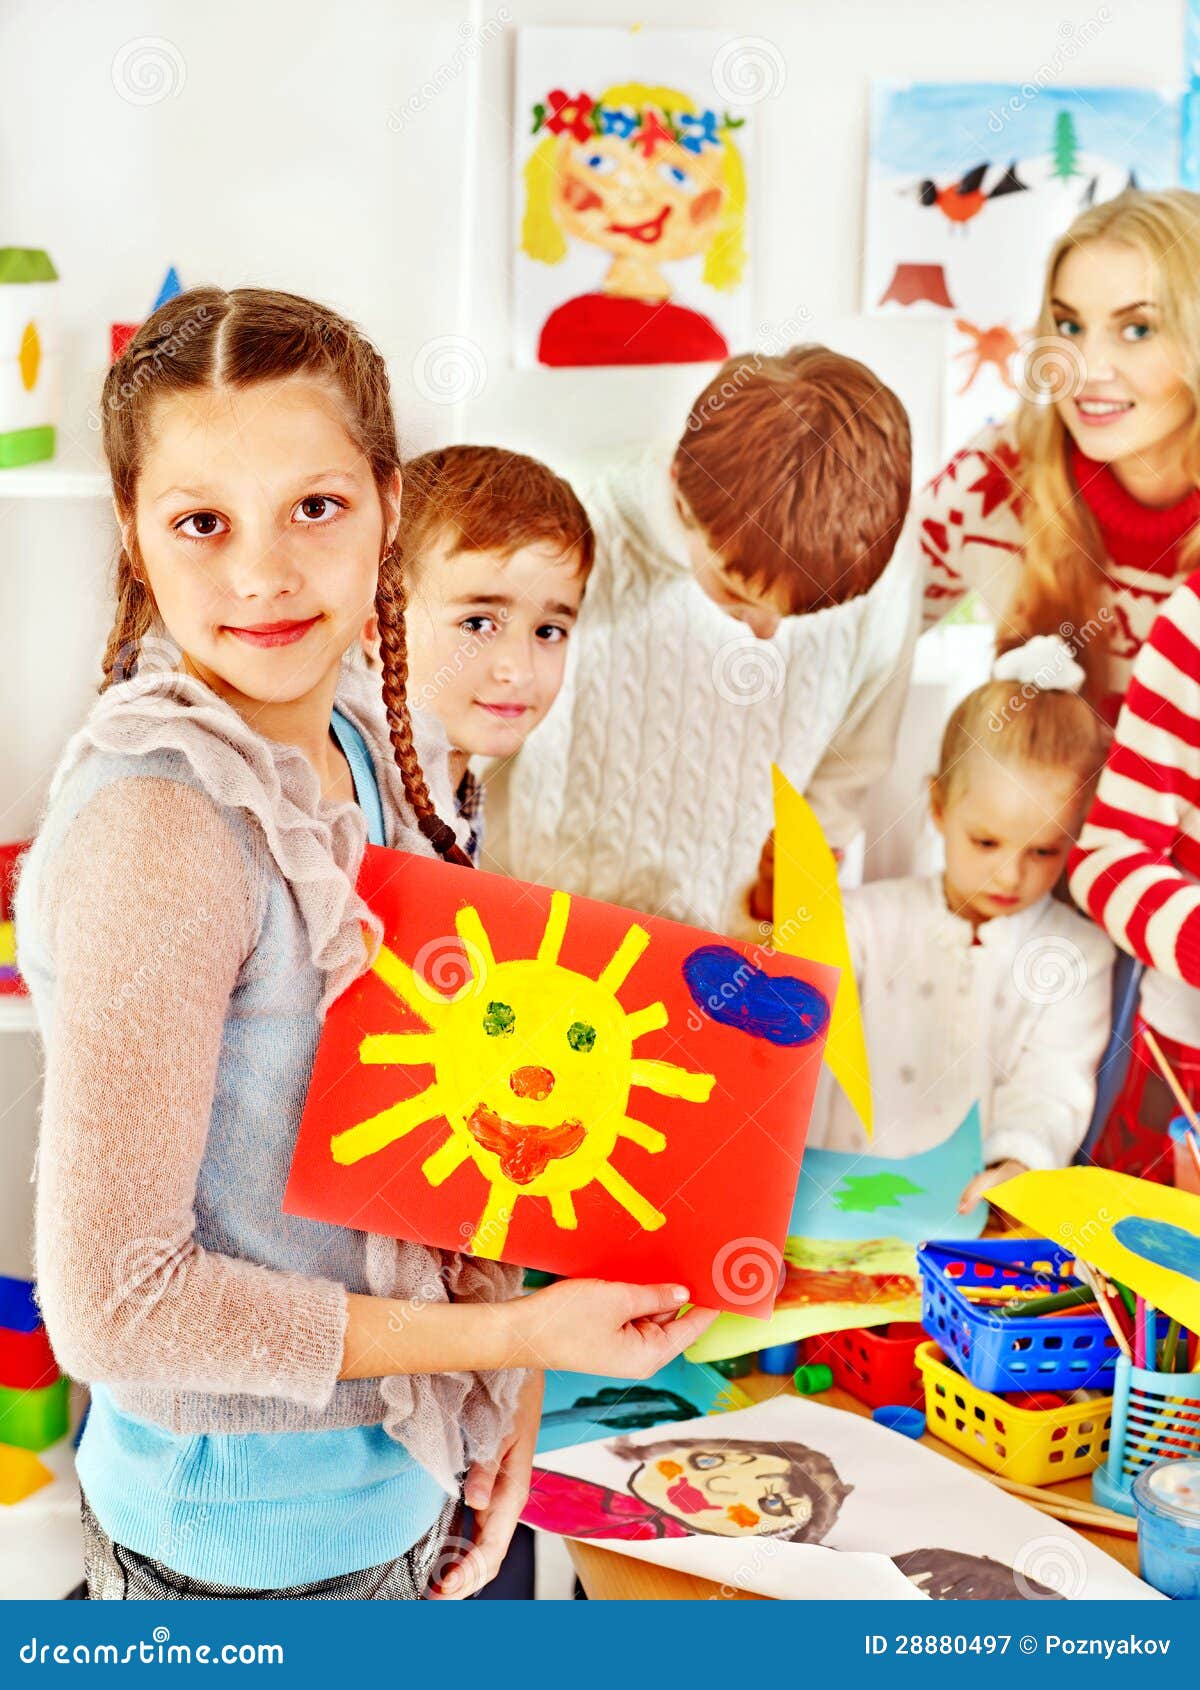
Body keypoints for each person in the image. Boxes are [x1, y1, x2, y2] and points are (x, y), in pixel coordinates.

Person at [14, 285, 713, 1602]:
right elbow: (115, 1306)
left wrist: (502, 1382)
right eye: (202, 521)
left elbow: (410, 1102)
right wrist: (508, 1329)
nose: (263, 573)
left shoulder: (345, 741)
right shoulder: (163, 835)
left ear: (388, 504)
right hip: (237, 1560)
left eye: (315, 507)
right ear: (134, 533)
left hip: (388, 1484)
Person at [485, 344, 916, 937]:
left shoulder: (880, 571)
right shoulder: (569, 535)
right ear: (681, 497)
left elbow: (847, 776)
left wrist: (784, 898)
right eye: (737, 592)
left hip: (732, 962)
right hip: (539, 939)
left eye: (805, 613)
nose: (767, 632)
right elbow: (468, 743)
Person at [807, 636, 1114, 1210]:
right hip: (831, 1209)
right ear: (940, 807)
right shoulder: (866, 921)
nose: (1011, 874)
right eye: (987, 841)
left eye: (1044, 851)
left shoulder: (1078, 956)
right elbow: (798, 1032)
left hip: (972, 1223)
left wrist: (1017, 1162)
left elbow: (1053, 1084)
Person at [918, 188, 1200, 723]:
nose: (1085, 368)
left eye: (1137, 329)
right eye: (1069, 326)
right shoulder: (999, 471)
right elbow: (838, 627)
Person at [396, 445, 592, 865]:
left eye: (548, 631)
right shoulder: (352, 808)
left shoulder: (461, 793)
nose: (518, 670)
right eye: (478, 625)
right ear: (378, 627)